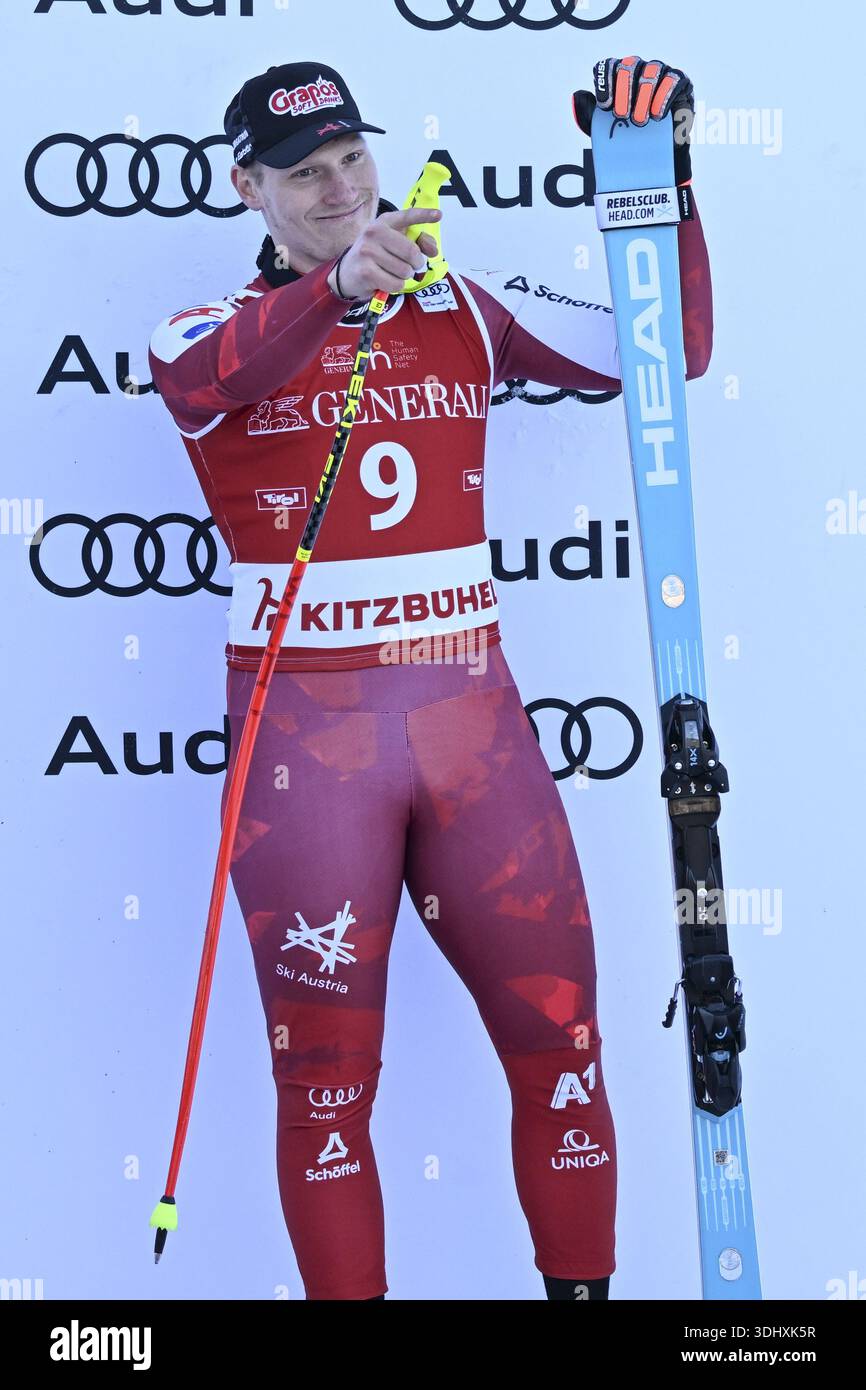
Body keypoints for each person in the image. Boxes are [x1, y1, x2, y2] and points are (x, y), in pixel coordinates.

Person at [148, 57, 712, 1301]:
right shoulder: (194, 332)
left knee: (563, 1048)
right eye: (305, 175)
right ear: (249, 187)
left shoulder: (461, 300)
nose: (342, 189)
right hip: (307, 755)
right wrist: (334, 289)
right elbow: (211, 380)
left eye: (354, 159)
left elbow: (666, 354)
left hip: (472, 731)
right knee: (328, 1094)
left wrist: (663, 182)